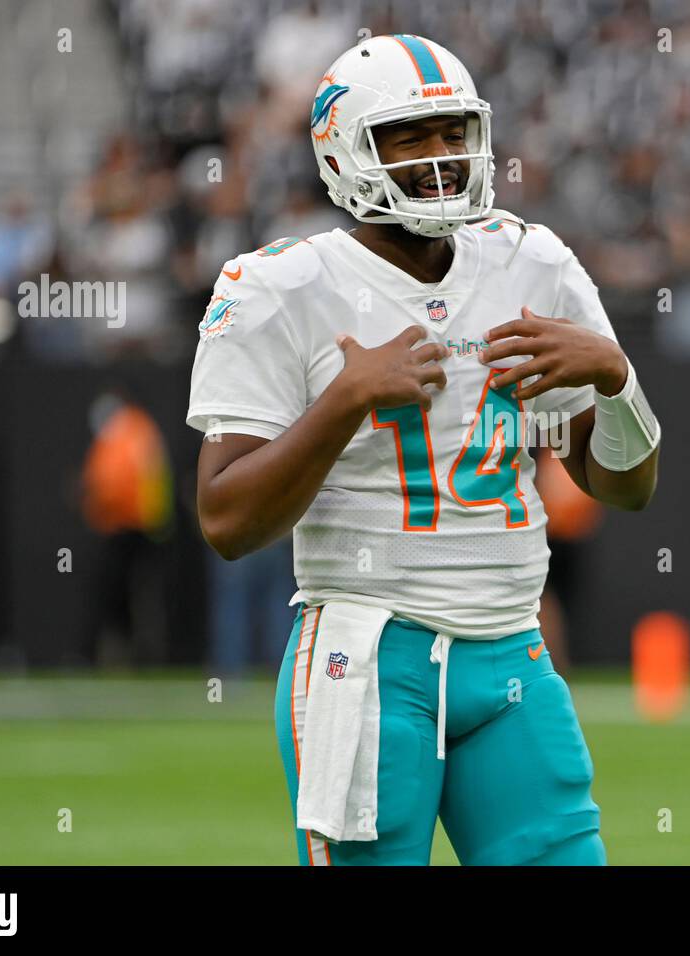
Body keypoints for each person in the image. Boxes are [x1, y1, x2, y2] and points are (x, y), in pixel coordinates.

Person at [186, 35, 660, 866]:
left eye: (452, 132)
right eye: (410, 136)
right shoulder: (281, 287)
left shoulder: (531, 261)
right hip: (368, 658)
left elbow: (626, 490)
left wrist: (619, 380)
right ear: (346, 151)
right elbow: (226, 518)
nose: (441, 158)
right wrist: (344, 400)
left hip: (513, 651)